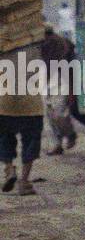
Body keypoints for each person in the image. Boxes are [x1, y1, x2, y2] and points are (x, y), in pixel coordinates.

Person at [0, 43, 44, 196]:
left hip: (4, 102)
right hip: (30, 103)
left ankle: (9, 169)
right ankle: (24, 181)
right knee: (31, 141)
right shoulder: (36, 46)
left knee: (4, 138)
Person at [40, 25, 78, 154]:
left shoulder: (62, 45)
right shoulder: (36, 46)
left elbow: (71, 69)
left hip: (61, 81)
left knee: (59, 113)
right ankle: (55, 144)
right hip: (44, 80)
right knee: (47, 115)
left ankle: (70, 133)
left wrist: (72, 90)